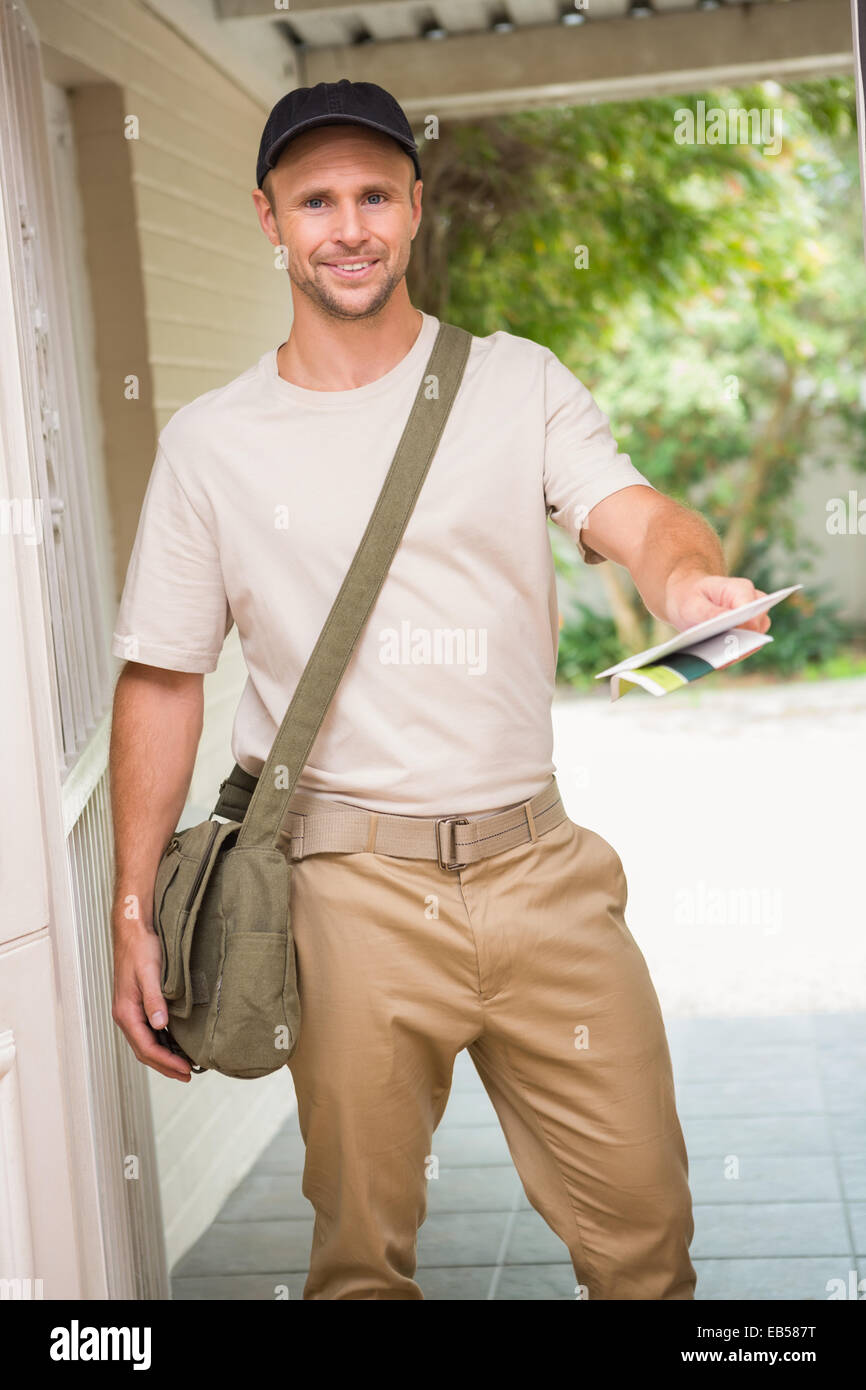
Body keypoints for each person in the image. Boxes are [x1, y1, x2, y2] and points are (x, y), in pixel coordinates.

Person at [109, 79, 770, 1301]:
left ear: (414, 209)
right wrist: (133, 909)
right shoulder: (210, 442)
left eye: (373, 194)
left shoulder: (512, 383)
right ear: (268, 218)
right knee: (360, 1266)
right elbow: (161, 677)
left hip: (542, 874)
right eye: (316, 200)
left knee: (646, 1246)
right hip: (345, 893)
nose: (347, 224)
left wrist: (684, 587)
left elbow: (638, 515)